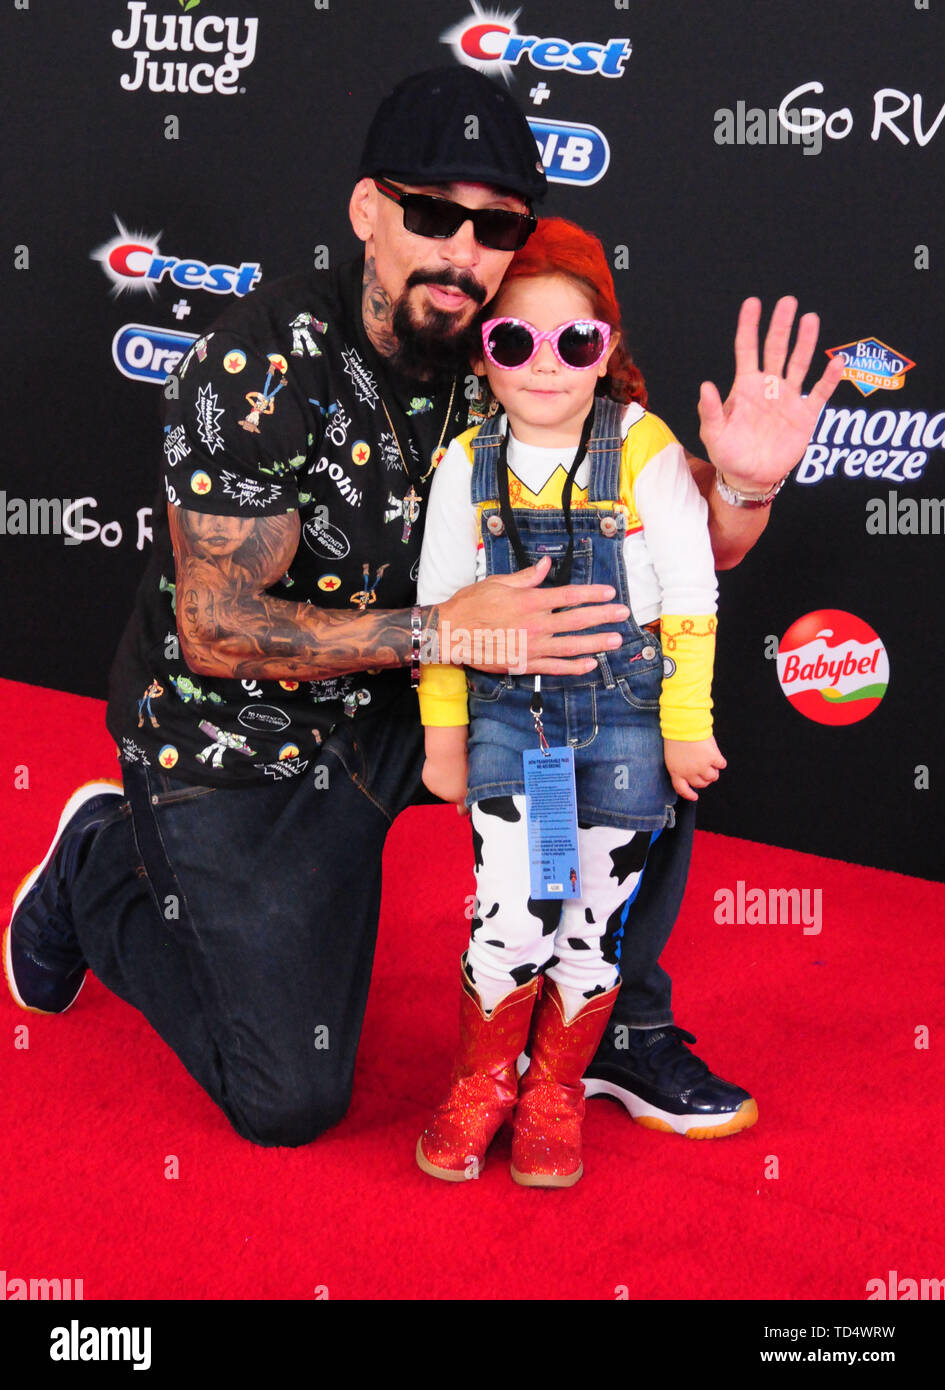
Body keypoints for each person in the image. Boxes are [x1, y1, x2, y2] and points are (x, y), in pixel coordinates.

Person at [3, 68, 843, 1148]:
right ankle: (98, 862)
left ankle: (610, 1015)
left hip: (438, 700)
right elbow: (215, 625)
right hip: (248, 738)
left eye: (496, 229)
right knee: (287, 1101)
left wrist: (743, 483)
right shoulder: (256, 367)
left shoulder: (524, 352)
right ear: (368, 211)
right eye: (433, 215)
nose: (463, 256)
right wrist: (448, 629)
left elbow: (690, 548)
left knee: (625, 688)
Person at [414, 217, 728, 1186]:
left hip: (629, 726)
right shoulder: (469, 460)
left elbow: (689, 593)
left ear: (608, 352)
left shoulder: (644, 447)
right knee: (514, 913)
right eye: (515, 340)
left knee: (593, 925)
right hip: (519, 727)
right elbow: (439, 609)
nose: (544, 365)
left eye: (574, 342)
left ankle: (556, 1090)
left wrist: (687, 726)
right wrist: (445, 737)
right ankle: (484, 1079)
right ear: (484, 353)